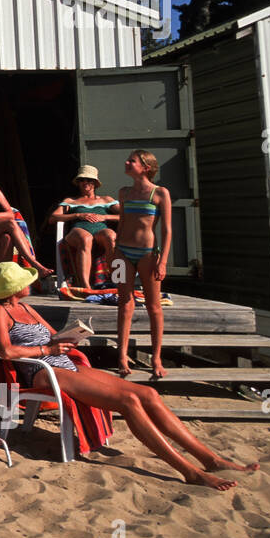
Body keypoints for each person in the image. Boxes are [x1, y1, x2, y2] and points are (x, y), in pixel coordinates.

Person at [0, 262, 256, 490]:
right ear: (13, 287)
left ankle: (209, 458)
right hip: (41, 371)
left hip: (63, 363)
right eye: (25, 281)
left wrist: (70, 338)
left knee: (148, 394)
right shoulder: (0, 311)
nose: (30, 284)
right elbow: (5, 350)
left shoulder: (29, 308)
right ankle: (189, 471)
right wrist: (48, 349)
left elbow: (54, 336)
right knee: (127, 401)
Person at [111, 150, 172, 378]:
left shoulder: (159, 193)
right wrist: (115, 252)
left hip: (148, 254)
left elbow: (166, 230)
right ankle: (122, 355)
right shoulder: (124, 192)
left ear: (146, 167)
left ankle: (156, 358)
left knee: (153, 306)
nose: (127, 163)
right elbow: (122, 222)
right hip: (123, 253)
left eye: (132, 161)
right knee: (124, 304)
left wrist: (163, 261)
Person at [50, 164, 118, 288]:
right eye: (82, 180)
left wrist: (105, 217)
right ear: (78, 183)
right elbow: (53, 218)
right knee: (86, 238)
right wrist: (77, 215)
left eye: (89, 180)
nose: (85, 182)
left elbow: (126, 216)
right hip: (79, 230)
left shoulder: (106, 200)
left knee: (111, 236)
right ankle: (85, 286)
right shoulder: (71, 201)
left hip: (100, 230)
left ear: (95, 183)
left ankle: (117, 281)